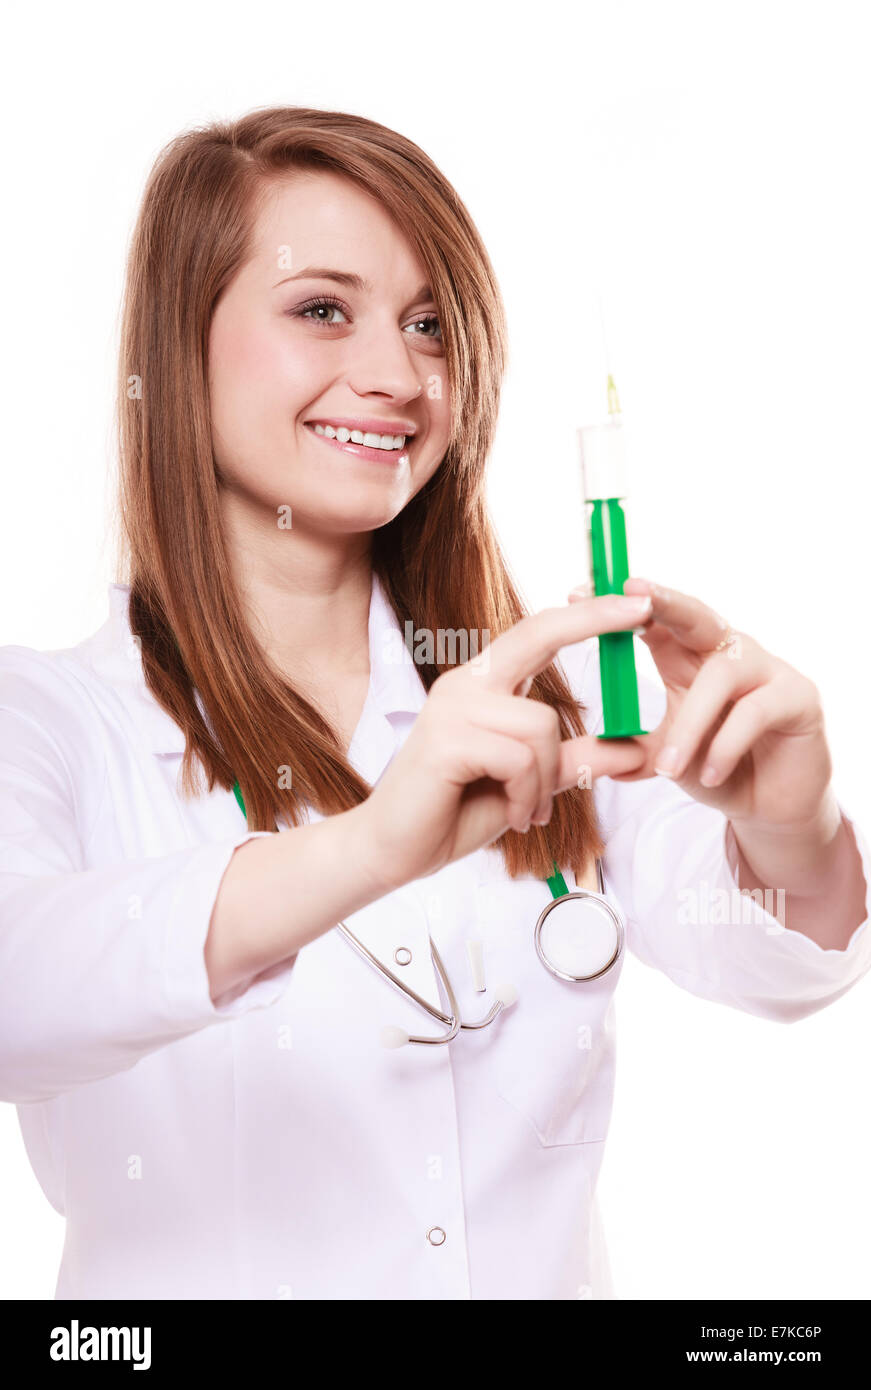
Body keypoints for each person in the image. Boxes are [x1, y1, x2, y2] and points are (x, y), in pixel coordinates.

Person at [1, 106, 868, 1302]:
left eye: (427, 324)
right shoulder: (48, 718)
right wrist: (368, 846)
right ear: (179, 344)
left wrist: (789, 820)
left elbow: (782, 962)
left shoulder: (538, 702)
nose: (397, 376)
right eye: (321, 310)